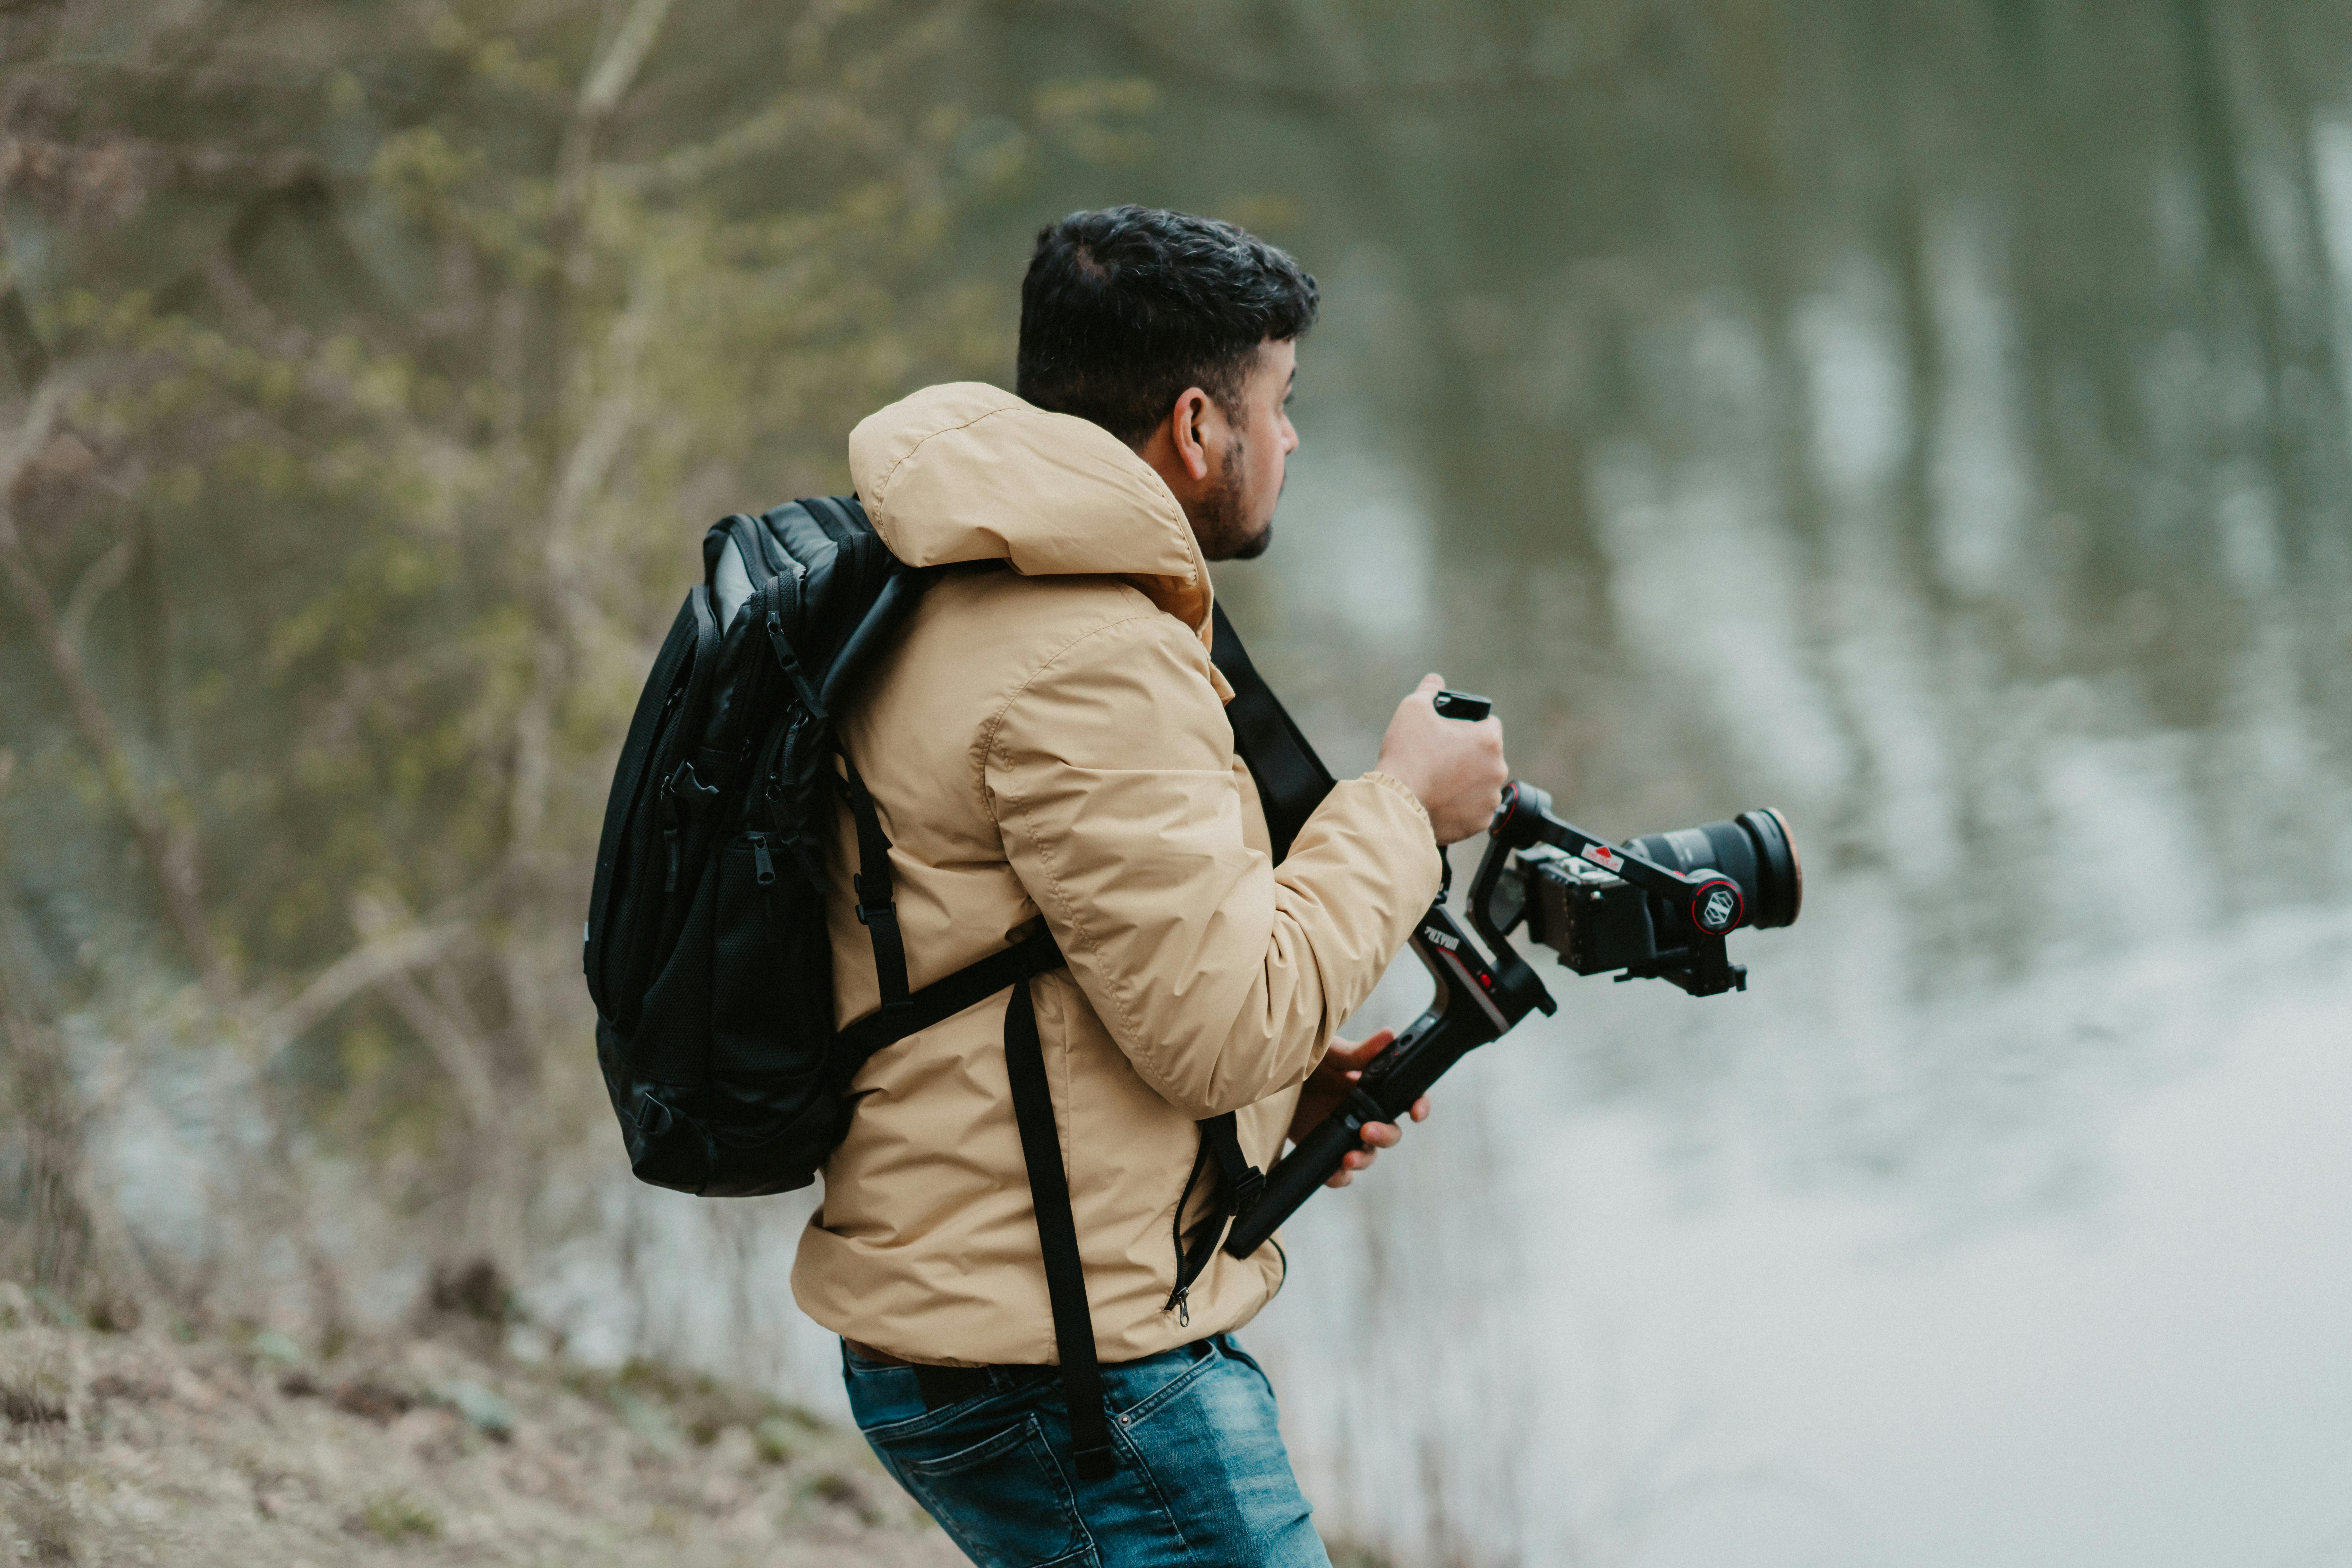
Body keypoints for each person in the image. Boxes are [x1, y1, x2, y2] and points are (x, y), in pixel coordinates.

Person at [791, 205, 1509, 1567]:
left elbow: (1019, 956)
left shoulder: (958, 579)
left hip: (1000, 1317)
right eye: (1280, 404)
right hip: (1072, 1368)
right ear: (1195, 428)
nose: (1292, 440)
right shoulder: (1084, 655)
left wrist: (1277, 1098)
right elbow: (1218, 1021)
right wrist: (1407, 807)